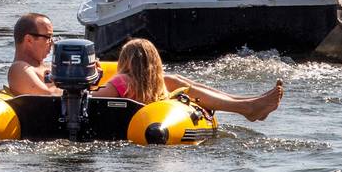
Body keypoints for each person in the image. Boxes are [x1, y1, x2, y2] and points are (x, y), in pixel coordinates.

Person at [92, 38, 284, 122]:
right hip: (149, 119)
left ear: (125, 60)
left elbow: (91, 100)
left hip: (140, 122)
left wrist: (94, 78)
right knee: (177, 81)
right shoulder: (158, 83)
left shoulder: (121, 82)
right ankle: (247, 106)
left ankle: (249, 103)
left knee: (176, 80)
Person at [7, 13, 62, 96]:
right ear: (29, 40)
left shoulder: (47, 66)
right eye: (48, 37)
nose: (52, 43)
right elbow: (48, 94)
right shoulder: (19, 68)